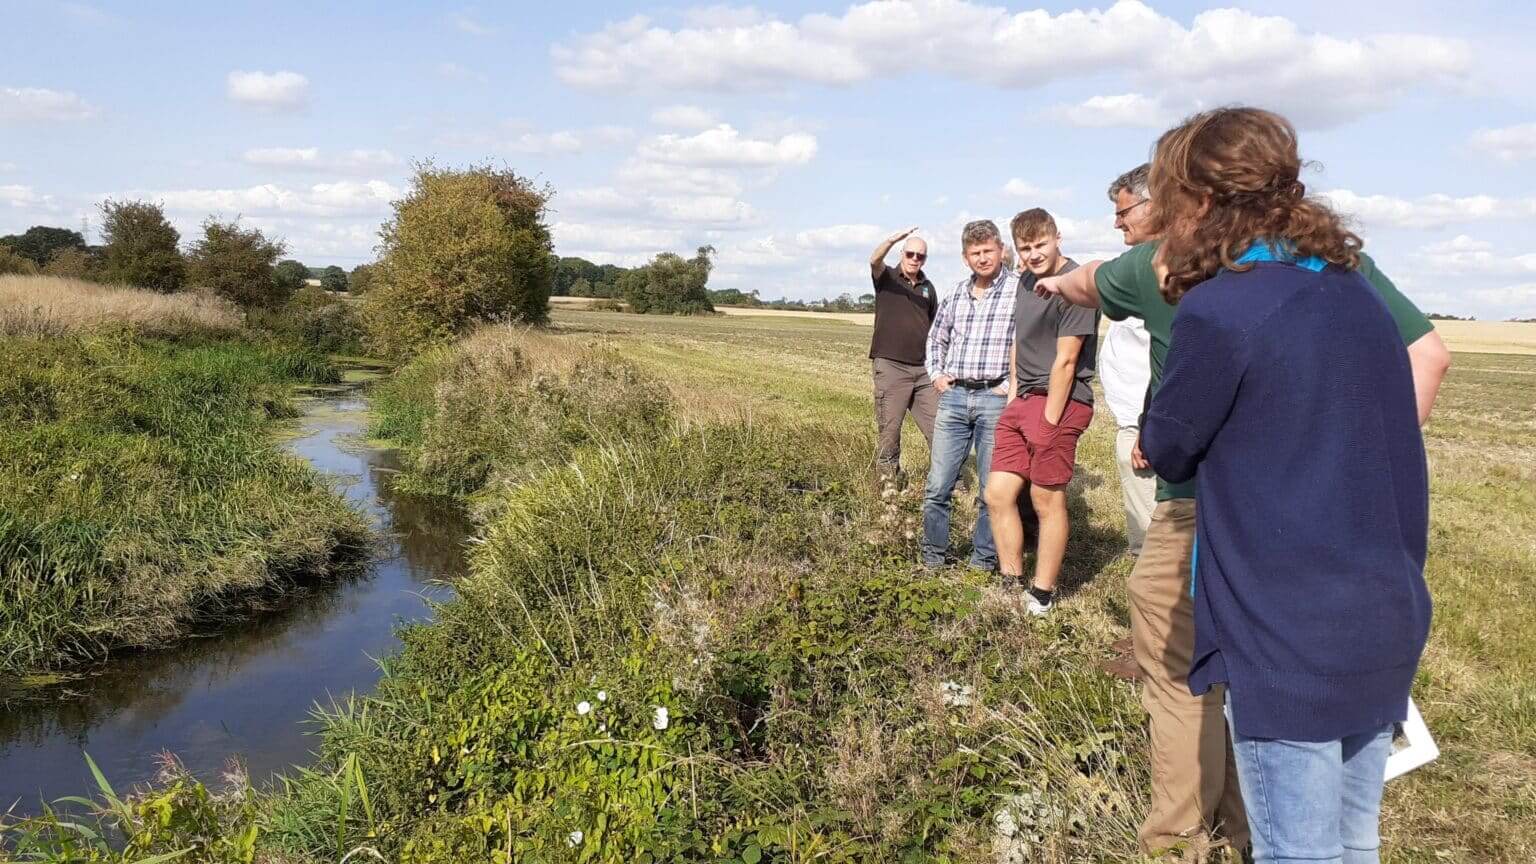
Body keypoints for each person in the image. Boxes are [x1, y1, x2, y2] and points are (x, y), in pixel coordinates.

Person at [1034, 152, 1450, 858]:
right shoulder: (1342, 270)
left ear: (1185, 203)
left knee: (1176, 673)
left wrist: (1050, 278)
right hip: (1343, 532)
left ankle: (1179, 838)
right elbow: (1430, 355)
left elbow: (1086, 286)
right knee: (1342, 811)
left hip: (1206, 510)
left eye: (1143, 205)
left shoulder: (1166, 269)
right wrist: (1350, 462)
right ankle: (1248, 824)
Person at [1137, 106, 1432, 864]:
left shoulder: (1223, 309)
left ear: (1200, 202)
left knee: (1297, 853)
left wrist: (1181, 298)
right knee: (1351, 842)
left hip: (1283, 628)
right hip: (1381, 610)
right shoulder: (1356, 295)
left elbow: (1169, 446)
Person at [983, 209, 1096, 616]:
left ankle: (1042, 593)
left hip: (1060, 402)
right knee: (997, 494)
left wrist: (1049, 420)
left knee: (1046, 500)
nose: (1033, 255)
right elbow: (1019, 340)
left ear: (1057, 237)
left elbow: (1067, 361)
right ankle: (1011, 578)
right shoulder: (1025, 281)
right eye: (1025, 248)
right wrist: (1013, 397)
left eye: (1040, 245)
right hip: (1023, 400)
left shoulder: (1074, 285)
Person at [922, 219, 1017, 570]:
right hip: (955, 396)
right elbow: (936, 338)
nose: (982, 258)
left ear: (1001, 250)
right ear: (965, 257)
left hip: (996, 398)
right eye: (975, 253)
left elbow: (1030, 342)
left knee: (990, 491)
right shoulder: (955, 294)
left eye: (988, 251)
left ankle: (983, 563)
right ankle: (933, 558)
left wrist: (1011, 385)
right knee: (938, 486)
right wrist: (937, 375)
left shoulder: (1018, 291)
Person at [1102, 165, 1158, 559]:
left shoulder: (1164, 269)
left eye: (1124, 212)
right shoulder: (1143, 263)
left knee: (1157, 546)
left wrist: (1148, 426)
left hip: (1150, 430)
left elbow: (1171, 356)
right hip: (1138, 423)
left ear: (1154, 206)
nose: (1117, 222)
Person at [867, 227, 940, 482]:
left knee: (940, 429)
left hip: (923, 372)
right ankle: (889, 483)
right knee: (890, 430)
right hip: (891, 367)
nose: (915, 259)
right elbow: (874, 260)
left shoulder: (928, 288)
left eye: (921, 256)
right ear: (902, 253)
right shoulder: (887, 277)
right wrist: (890, 239)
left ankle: (952, 483)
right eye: (910, 253)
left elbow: (935, 328)